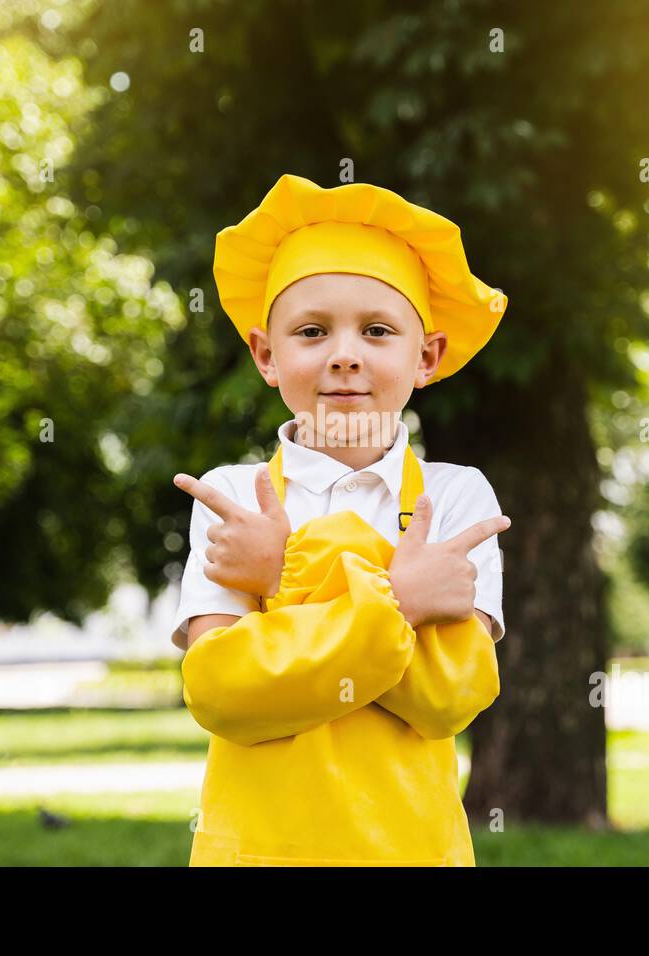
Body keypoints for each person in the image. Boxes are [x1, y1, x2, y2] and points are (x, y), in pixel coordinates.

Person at [170, 172, 510, 866]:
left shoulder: (459, 496)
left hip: (411, 851)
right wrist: (401, 602)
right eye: (313, 331)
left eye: (378, 331)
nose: (345, 353)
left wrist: (281, 580)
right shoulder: (232, 496)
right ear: (267, 355)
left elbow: (450, 696)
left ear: (427, 357)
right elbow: (224, 693)